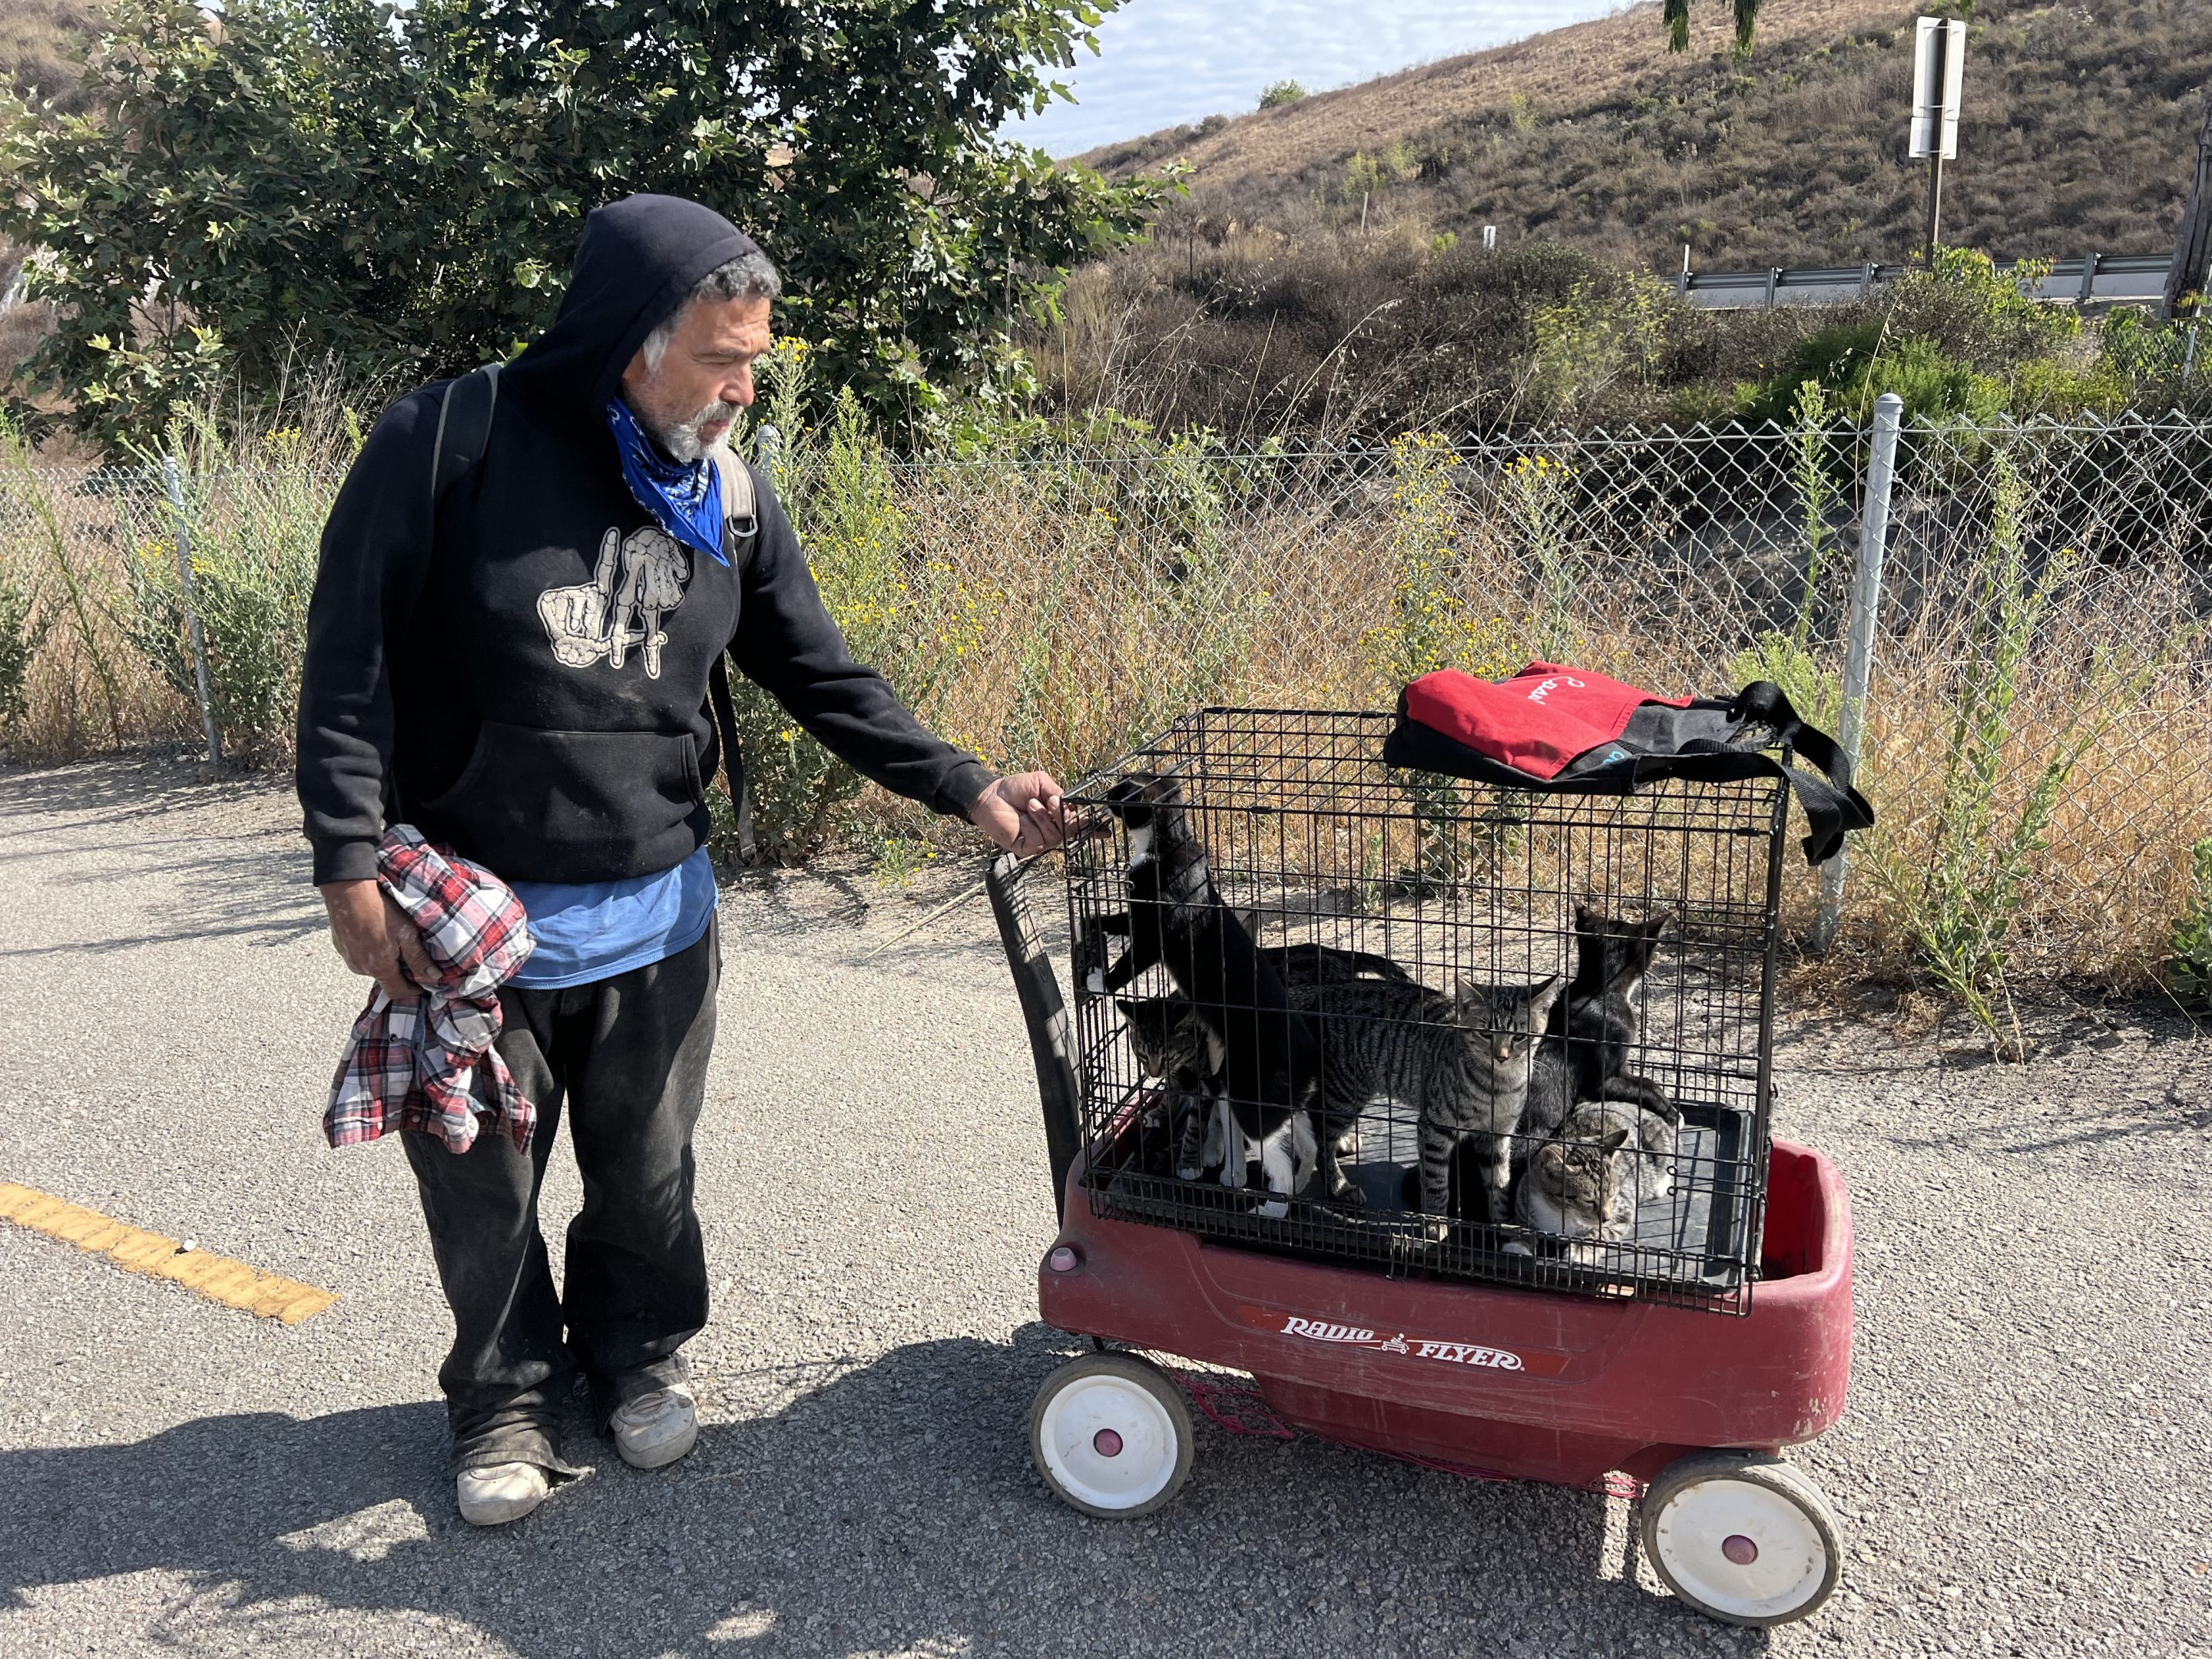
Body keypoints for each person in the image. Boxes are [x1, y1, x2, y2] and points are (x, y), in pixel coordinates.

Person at [296, 194, 1064, 1526]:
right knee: (484, 1184)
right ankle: (501, 1395)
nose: (744, 387)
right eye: (724, 356)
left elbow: (815, 668)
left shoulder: (721, 489)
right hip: (472, 918)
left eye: (757, 358)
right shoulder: (450, 444)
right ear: (628, 342)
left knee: (648, 1179)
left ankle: (633, 1353)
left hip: (658, 912)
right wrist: (348, 866)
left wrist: (964, 785)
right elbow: (347, 665)